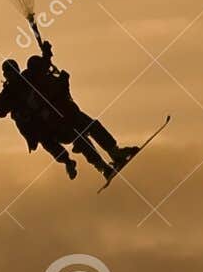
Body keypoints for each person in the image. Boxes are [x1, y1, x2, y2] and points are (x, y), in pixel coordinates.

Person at [24, 17, 138, 178]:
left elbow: (58, 84)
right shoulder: (37, 87)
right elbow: (54, 93)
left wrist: (48, 55)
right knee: (83, 138)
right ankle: (105, 166)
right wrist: (50, 59)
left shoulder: (45, 79)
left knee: (92, 127)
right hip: (61, 123)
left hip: (70, 115)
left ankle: (114, 155)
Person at [0, 59, 78, 179]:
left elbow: (43, 69)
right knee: (48, 142)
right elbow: (1, 111)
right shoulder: (10, 90)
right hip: (37, 124)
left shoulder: (23, 80)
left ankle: (74, 152)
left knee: (57, 135)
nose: (10, 75)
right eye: (9, 72)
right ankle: (67, 161)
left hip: (44, 117)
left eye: (11, 71)